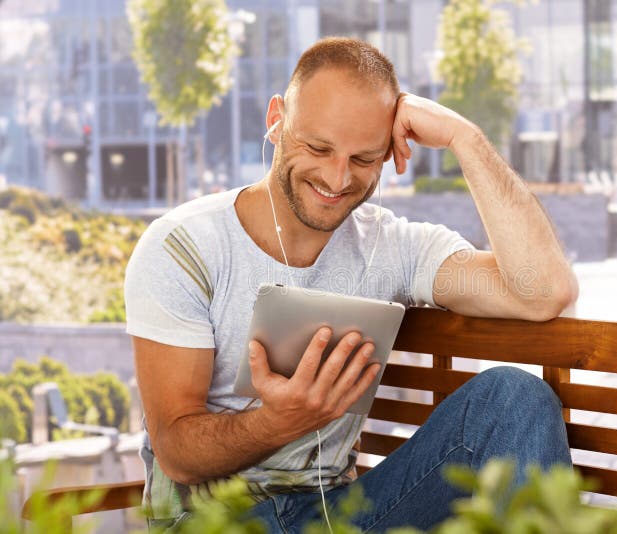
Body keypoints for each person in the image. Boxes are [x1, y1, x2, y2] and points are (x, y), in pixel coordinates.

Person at [125, 37, 578, 532]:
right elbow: (177, 453)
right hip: (213, 522)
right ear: (276, 120)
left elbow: (543, 292)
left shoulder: (392, 246)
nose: (337, 178)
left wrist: (463, 138)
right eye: (318, 148)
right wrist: (278, 422)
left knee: (515, 398)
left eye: (364, 159)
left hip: (336, 516)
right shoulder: (185, 246)